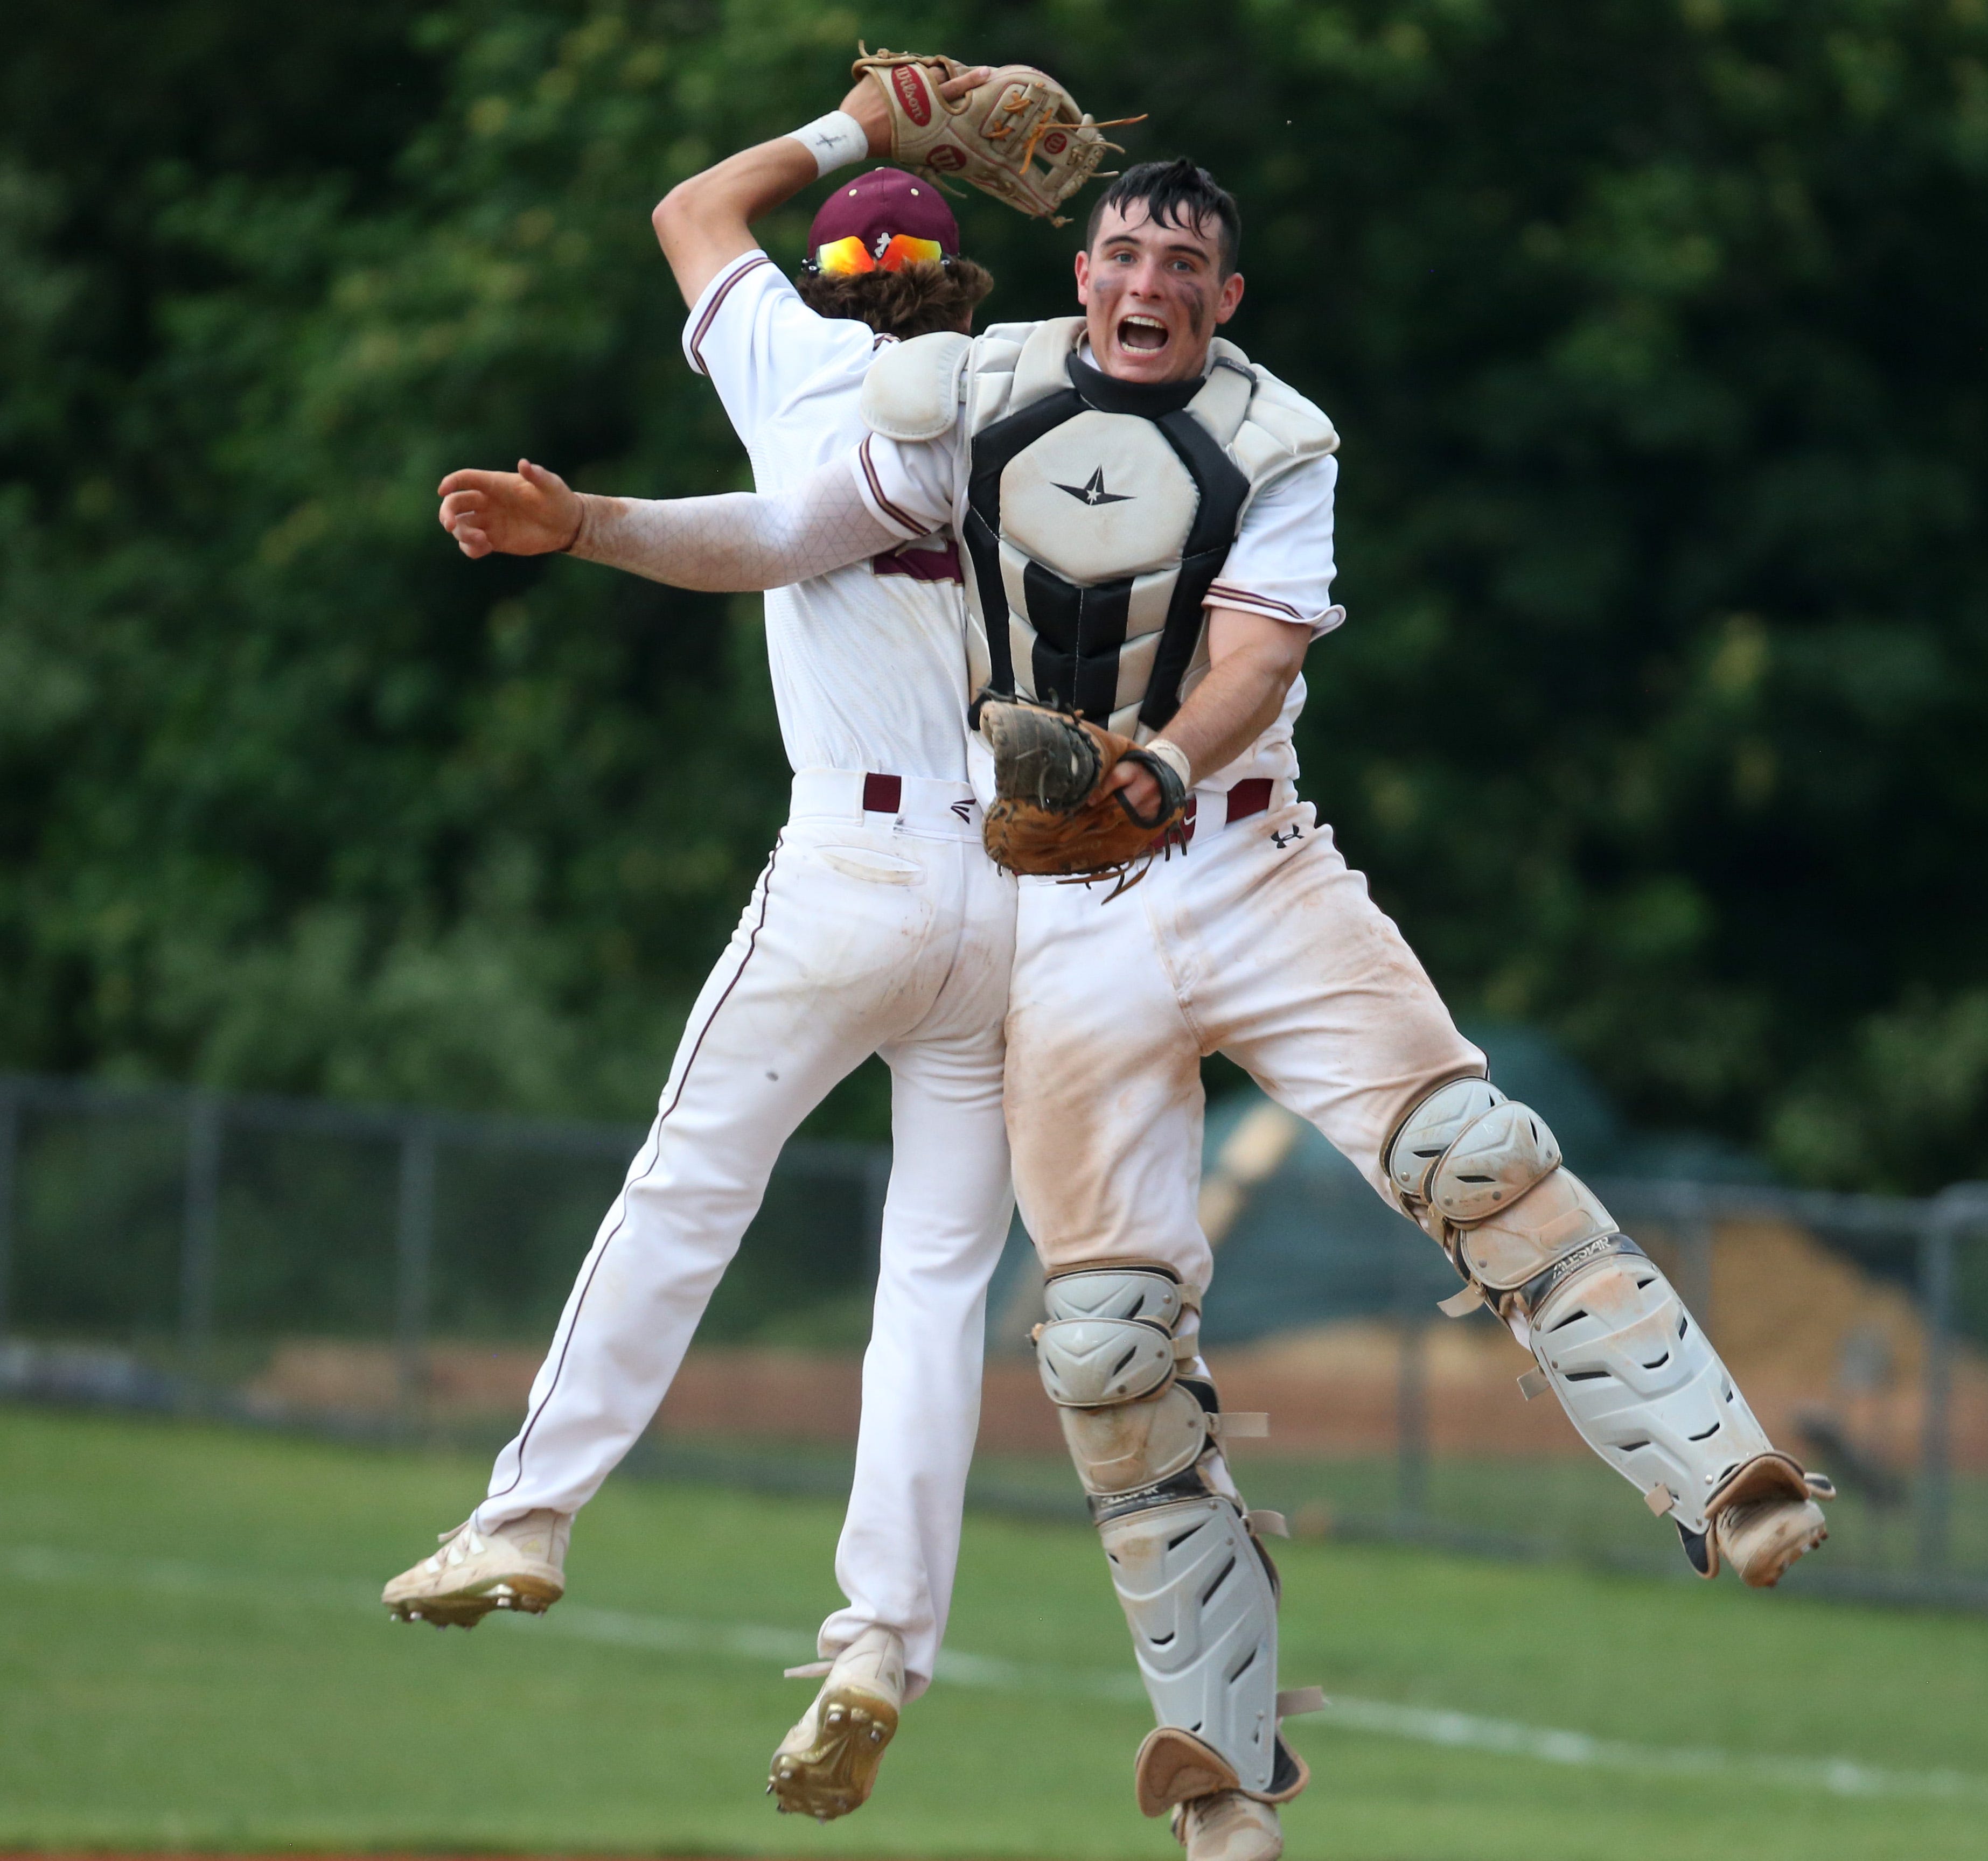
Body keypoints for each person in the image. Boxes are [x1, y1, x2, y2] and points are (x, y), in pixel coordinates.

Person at [444, 157, 1835, 1861]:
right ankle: (1225, 1774)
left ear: (1223, 299)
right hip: (1062, 915)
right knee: (1104, 1349)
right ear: (1079, 273)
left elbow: (1256, 660)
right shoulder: (973, 392)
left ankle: (1724, 1476)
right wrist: (587, 526)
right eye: (1122, 248)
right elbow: (800, 532)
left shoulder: (1281, 438)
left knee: (1471, 1156)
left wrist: (1158, 772)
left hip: (1247, 861)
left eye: (1184, 257)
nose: (1147, 276)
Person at [390, 69, 1028, 1825]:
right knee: (934, 1287)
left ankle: (525, 1514)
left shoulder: (788, 358)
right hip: (1016, 894)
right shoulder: (1025, 401)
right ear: (955, 290)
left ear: (832, 283)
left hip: (854, 867)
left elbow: (691, 218)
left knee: (688, 1188)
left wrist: (856, 125)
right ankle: (880, 1642)